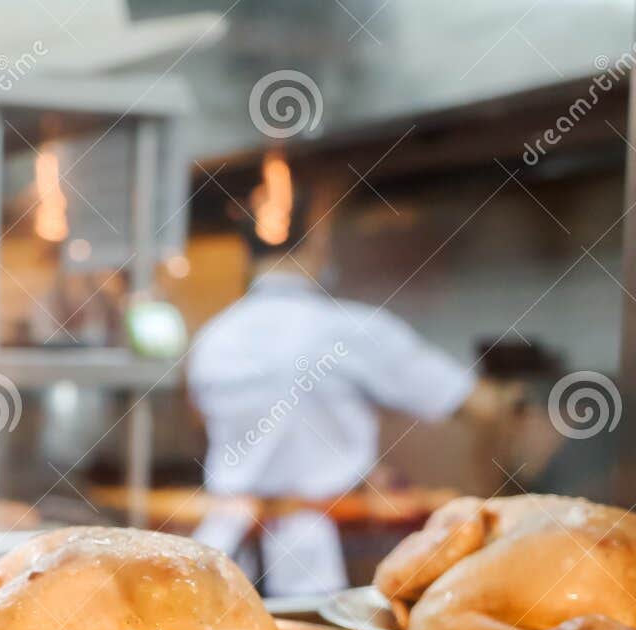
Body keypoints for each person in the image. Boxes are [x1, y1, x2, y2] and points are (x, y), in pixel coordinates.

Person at [187, 184, 503, 597]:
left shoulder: (212, 337)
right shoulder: (350, 329)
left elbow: (229, 427)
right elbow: (480, 405)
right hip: (317, 567)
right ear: (319, 238)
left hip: (224, 561)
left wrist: (355, 469)